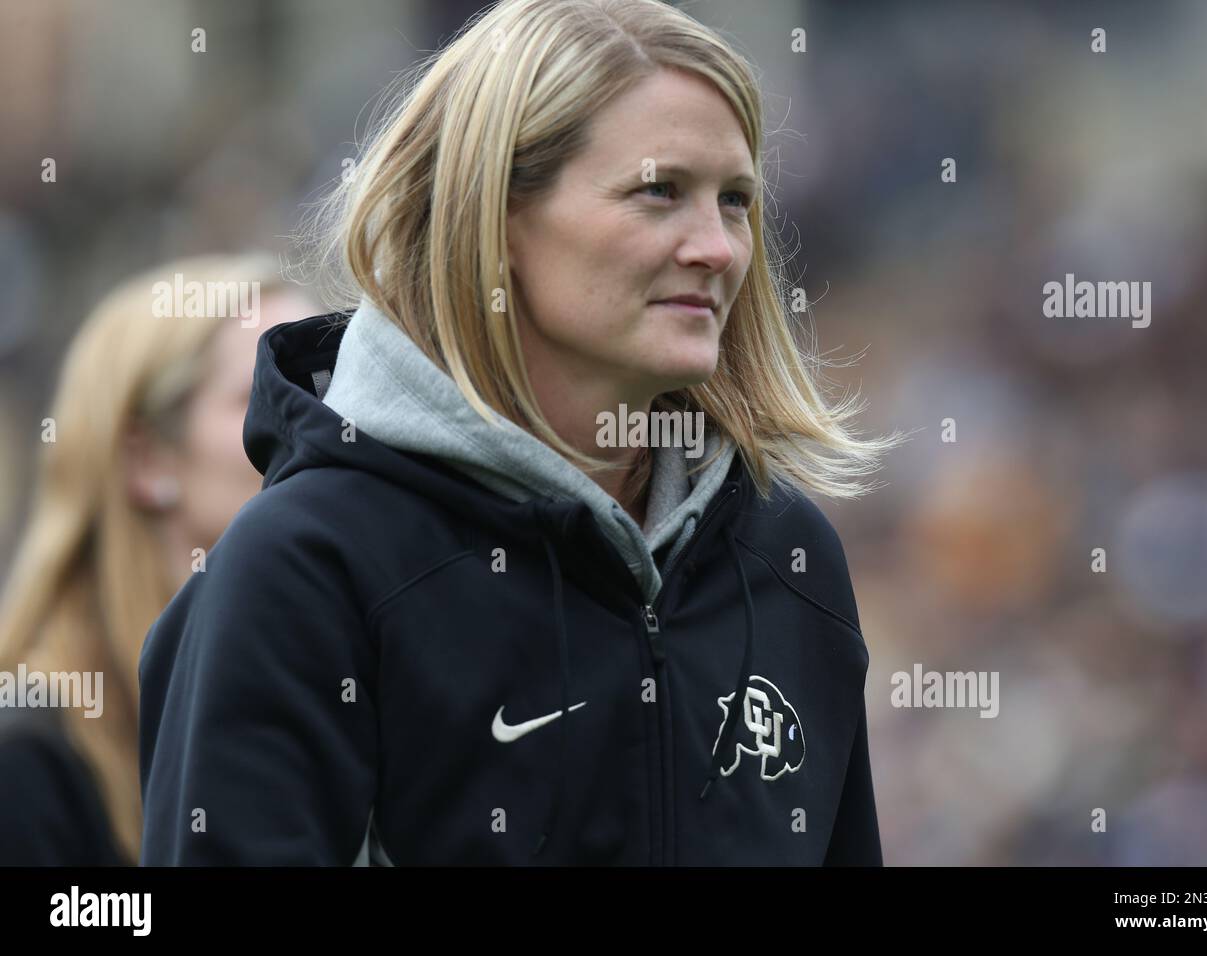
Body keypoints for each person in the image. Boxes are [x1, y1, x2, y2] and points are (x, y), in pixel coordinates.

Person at [138, 0, 904, 865]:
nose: (720, 247)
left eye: (734, 200)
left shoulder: (788, 558)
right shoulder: (306, 569)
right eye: (660, 191)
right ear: (495, 217)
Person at [0, 254, 314, 864]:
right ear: (149, 461)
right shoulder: (27, 761)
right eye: (263, 395)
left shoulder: (311, 696)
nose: (318, 422)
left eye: (321, 388)